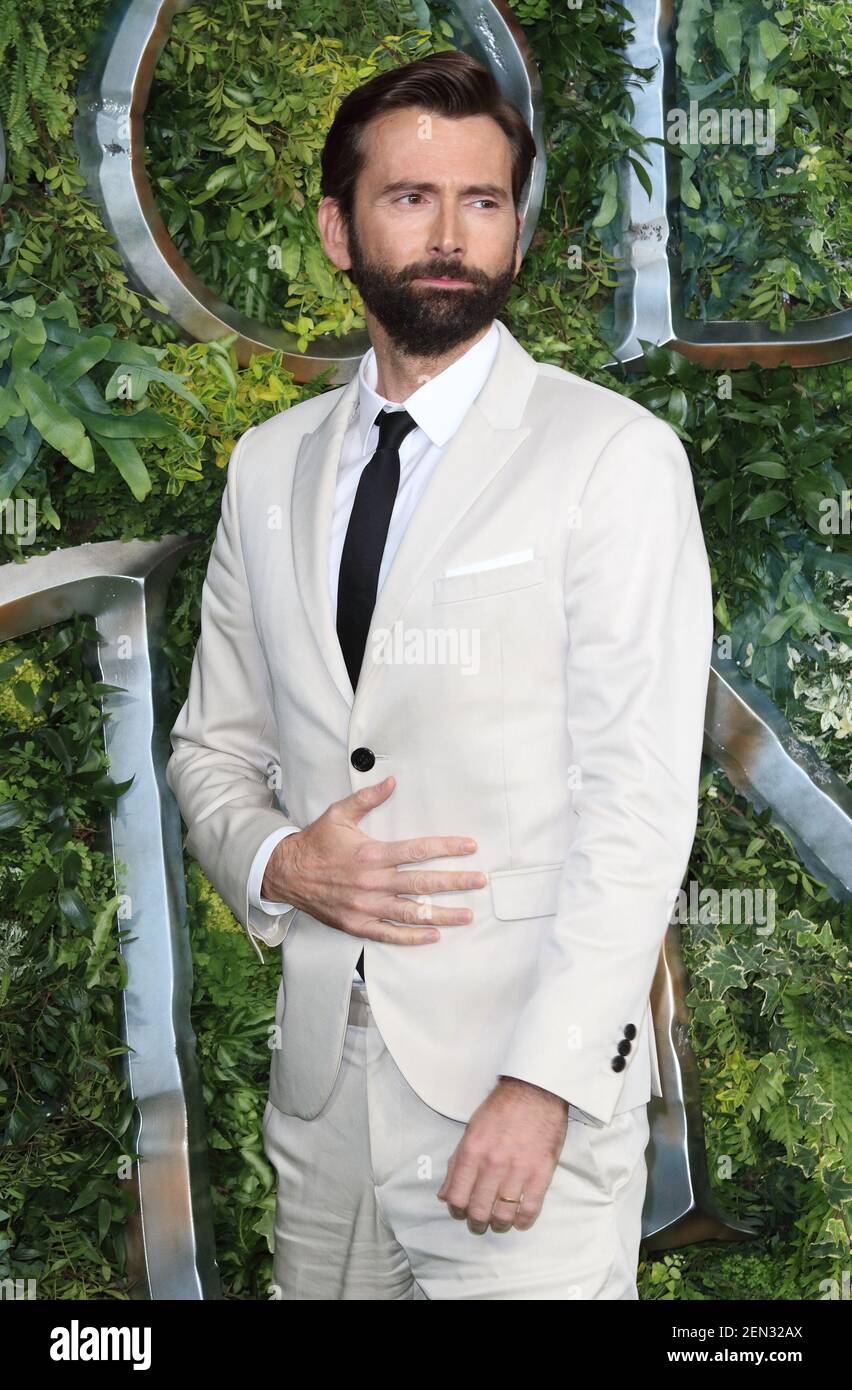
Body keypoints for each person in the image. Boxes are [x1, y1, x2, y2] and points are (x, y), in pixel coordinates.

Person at [165, 49, 713, 1300]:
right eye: (411, 197)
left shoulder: (612, 460)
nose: (452, 234)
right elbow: (212, 749)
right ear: (339, 227)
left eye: (484, 200)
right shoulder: (268, 467)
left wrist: (546, 1084)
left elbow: (638, 806)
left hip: (523, 1111)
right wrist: (274, 858)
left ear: (516, 227)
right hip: (322, 1106)